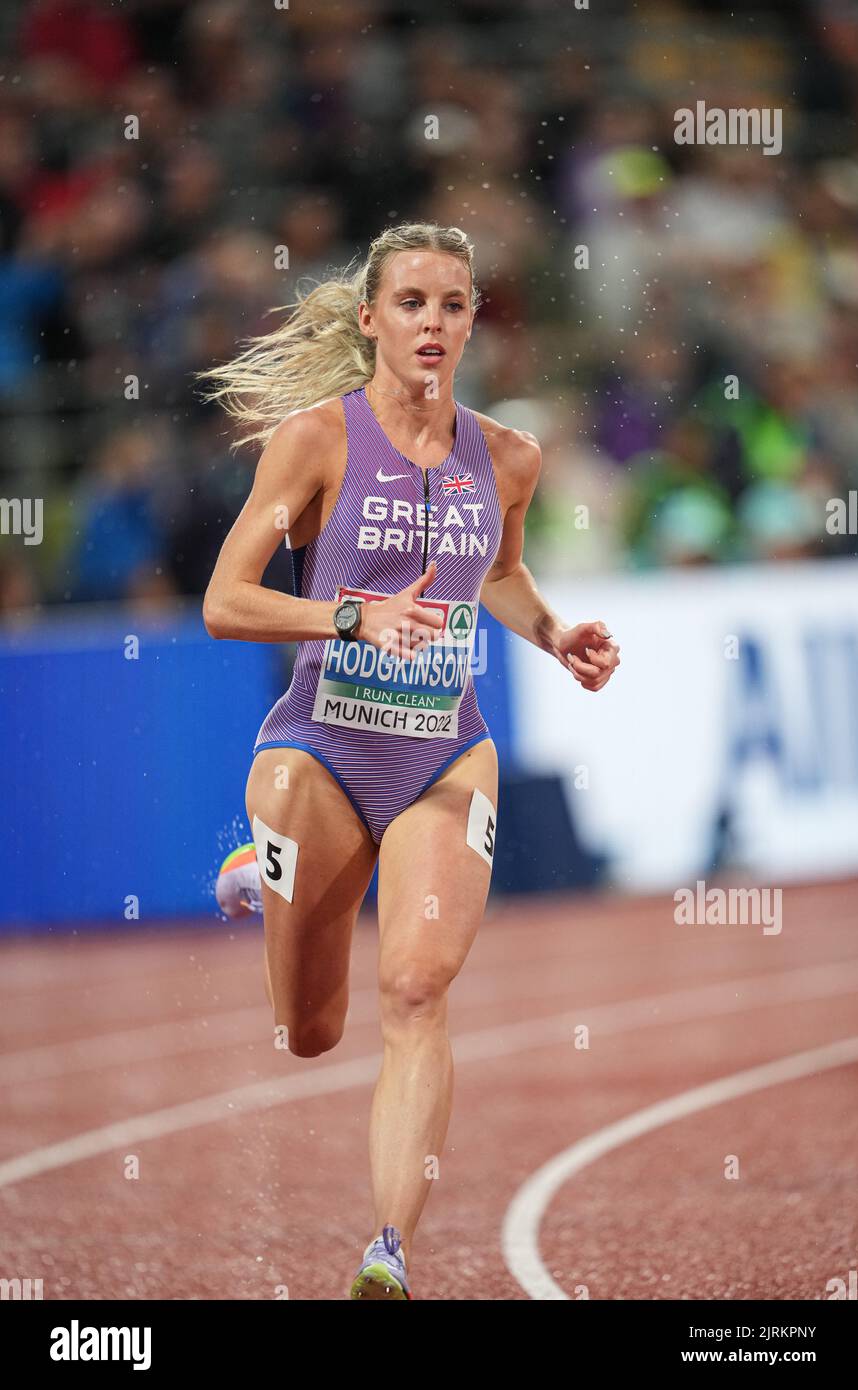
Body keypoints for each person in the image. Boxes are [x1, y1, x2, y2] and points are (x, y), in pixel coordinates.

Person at [197, 222, 621, 1299]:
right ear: (370, 320)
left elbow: (503, 575)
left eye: (454, 304)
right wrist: (350, 617)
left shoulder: (507, 456)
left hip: (444, 757)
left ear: (474, 319)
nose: (434, 324)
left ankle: (387, 1248)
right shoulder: (315, 441)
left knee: (418, 989)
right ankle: (268, 864)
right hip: (321, 753)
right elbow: (224, 601)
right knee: (308, 1031)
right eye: (413, 304)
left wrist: (553, 629)